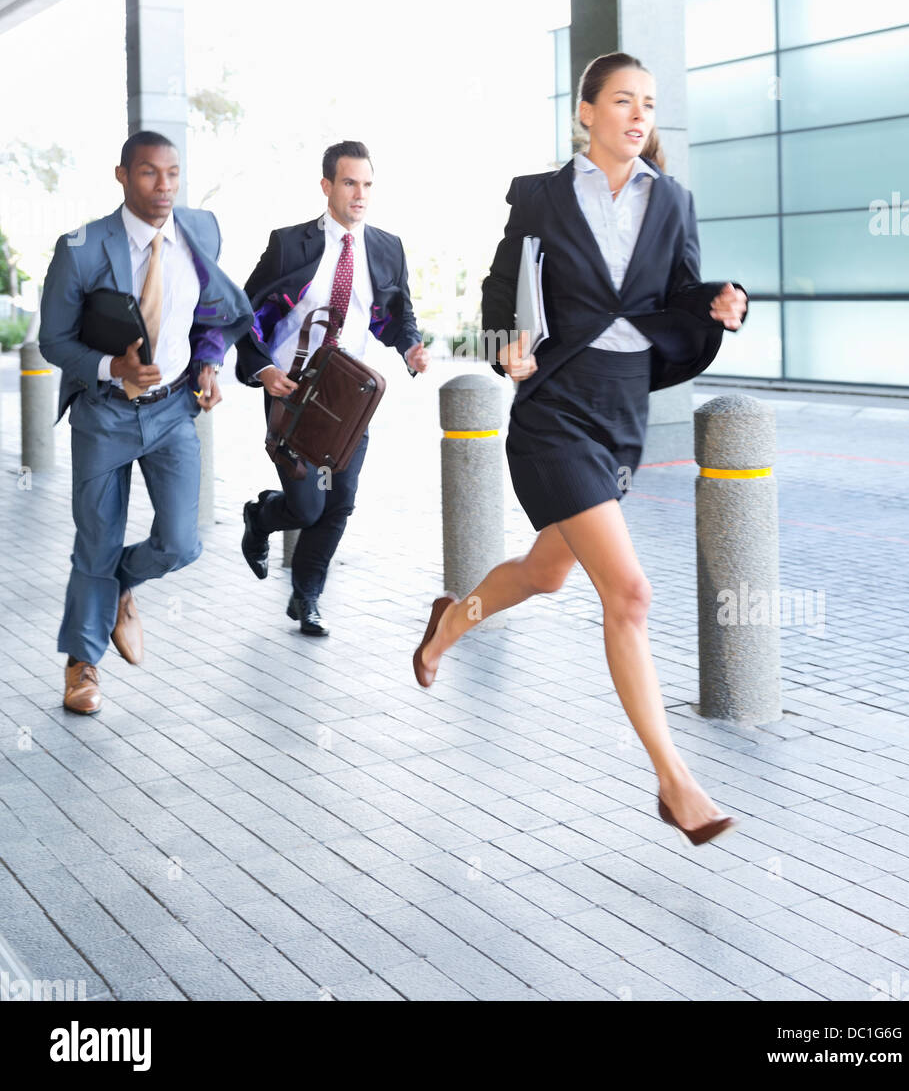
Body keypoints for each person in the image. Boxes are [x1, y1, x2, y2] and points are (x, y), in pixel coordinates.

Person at [413, 52, 749, 847]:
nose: (639, 115)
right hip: (555, 406)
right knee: (629, 594)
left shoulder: (673, 202)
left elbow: (678, 296)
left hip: (620, 412)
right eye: (624, 100)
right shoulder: (540, 195)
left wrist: (724, 304)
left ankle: (448, 624)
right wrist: (506, 349)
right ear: (586, 112)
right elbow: (500, 295)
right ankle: (676, 783)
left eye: (650, 104)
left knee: (547, 571)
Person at [38, 130, 254, 716]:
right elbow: (54, 340)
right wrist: (113, 365)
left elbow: (211, 311)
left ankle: (117, 586)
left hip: (174, 413)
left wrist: (209, 364)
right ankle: (82, 667)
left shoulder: (200, 230)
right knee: (96, 543)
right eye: (149, 174)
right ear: (122, 175)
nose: (164, 187)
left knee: (183, 544)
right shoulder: (80, 248)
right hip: (104, 414)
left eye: (173, 174)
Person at [235, 140, 429, 636]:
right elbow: (243, 313)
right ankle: (261, 519)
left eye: (366, 184)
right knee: (306, 505)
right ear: (326, 186)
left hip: (348, 395)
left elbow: (397, 312)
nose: (359, 193)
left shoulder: (387, 247)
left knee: (339, 501)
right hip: (291, 390)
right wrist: (262, 370)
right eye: (349, 182)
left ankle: (307, 597)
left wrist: (410, 348)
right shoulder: (288, 244)